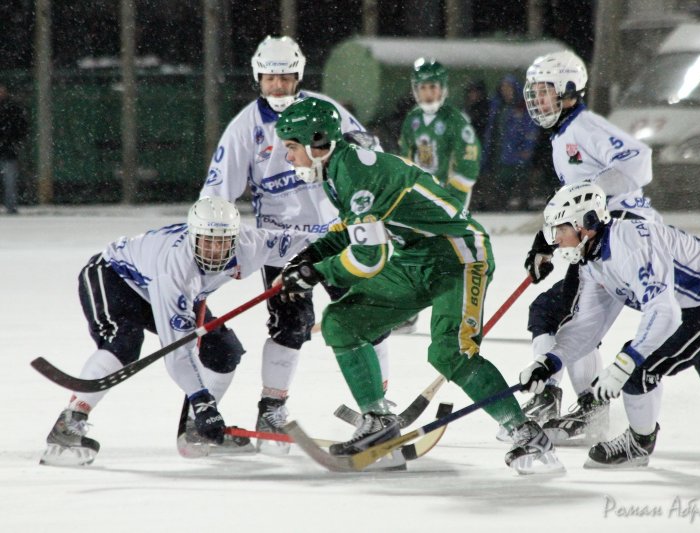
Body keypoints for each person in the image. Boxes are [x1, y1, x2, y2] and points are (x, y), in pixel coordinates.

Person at [274, 96, 564, 475]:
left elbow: (368, 257)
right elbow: (353, 230)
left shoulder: (351, 173)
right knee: (341, 322)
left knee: (450, 353)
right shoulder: (338, 169)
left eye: (292, 147)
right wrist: (310, 257)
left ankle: (525, 433)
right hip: (419, 256)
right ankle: (377, 421)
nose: (288, 157)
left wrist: (317, 273)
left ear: (316, 142)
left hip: (459, 255)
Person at [198, 35, 389, 455]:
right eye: (270, 79)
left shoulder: (325, 110)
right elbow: (217, 192)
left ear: (298, 76)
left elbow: (371, 152)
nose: (278, 87)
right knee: (290, 326)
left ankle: (379, 407)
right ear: (258, 78)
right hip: (281, 244)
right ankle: (271, 409)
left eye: (285, 78)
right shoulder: (244, 127)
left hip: (339, 236)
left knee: (371, 319)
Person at [519, 181, 700, 467]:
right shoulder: (593, 260)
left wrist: (626, 364)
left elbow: (663, 313)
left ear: (586, 223)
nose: (555, 239)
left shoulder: (630, 246)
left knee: (639, 368)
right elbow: (587, 325)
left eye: (561, 229)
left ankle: (639, 445)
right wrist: (550, 361)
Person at [40, 197, 310, 466]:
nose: (215, 250)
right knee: (124, 342)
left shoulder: (251, 244)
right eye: (207, 240)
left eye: (222, 241)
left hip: (159, 288)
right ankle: (69, 424)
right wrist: (202, 402)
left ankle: (196, 431)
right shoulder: (176, 269)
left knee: (223, 350)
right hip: (113, 275)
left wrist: (346, 240)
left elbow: (304, 242)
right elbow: (179, 352)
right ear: (194, 237)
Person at [513, 50, 662, 446]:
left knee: (564, 318)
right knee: (557, 314)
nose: (537, 102)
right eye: (535, 93)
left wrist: (592, 198)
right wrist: (545, 241)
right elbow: (572, 195)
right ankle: (578, 402)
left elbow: (639, 161)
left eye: (544, 92)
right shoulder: (564, 135)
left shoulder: (583, 127)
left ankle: (571, 400)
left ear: (567, 90)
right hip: (599, 239)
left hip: (622, 238)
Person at [399, 58, 481, 208]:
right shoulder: (412, 118)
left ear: (443, 88)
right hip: (419, 193)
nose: (428, 94)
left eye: (433, 87)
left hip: (448, 193)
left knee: (446, 231)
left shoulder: (454, 119)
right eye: (423, 88)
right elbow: (406, 156)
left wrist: (454, 193)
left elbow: (469, 159)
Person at [479, 74, 540, 211]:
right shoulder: (498, 108)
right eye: (503, 88)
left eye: (508, 88)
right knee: (497, 187)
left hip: (515, 157)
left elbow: (530, 130)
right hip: (498, 155)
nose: (505, 91)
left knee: (517, 186)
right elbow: (491, 131)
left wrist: (526, 150)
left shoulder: (523, 108)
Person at [0, 84, 28, 215]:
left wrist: (14, 141)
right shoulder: (13, 108)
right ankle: (11, 206)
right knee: (9, 180)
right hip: (9, 149)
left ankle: (11, 206)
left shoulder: (12, 108)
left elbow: (21, 127)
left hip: (8, 150)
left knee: (10, 181)